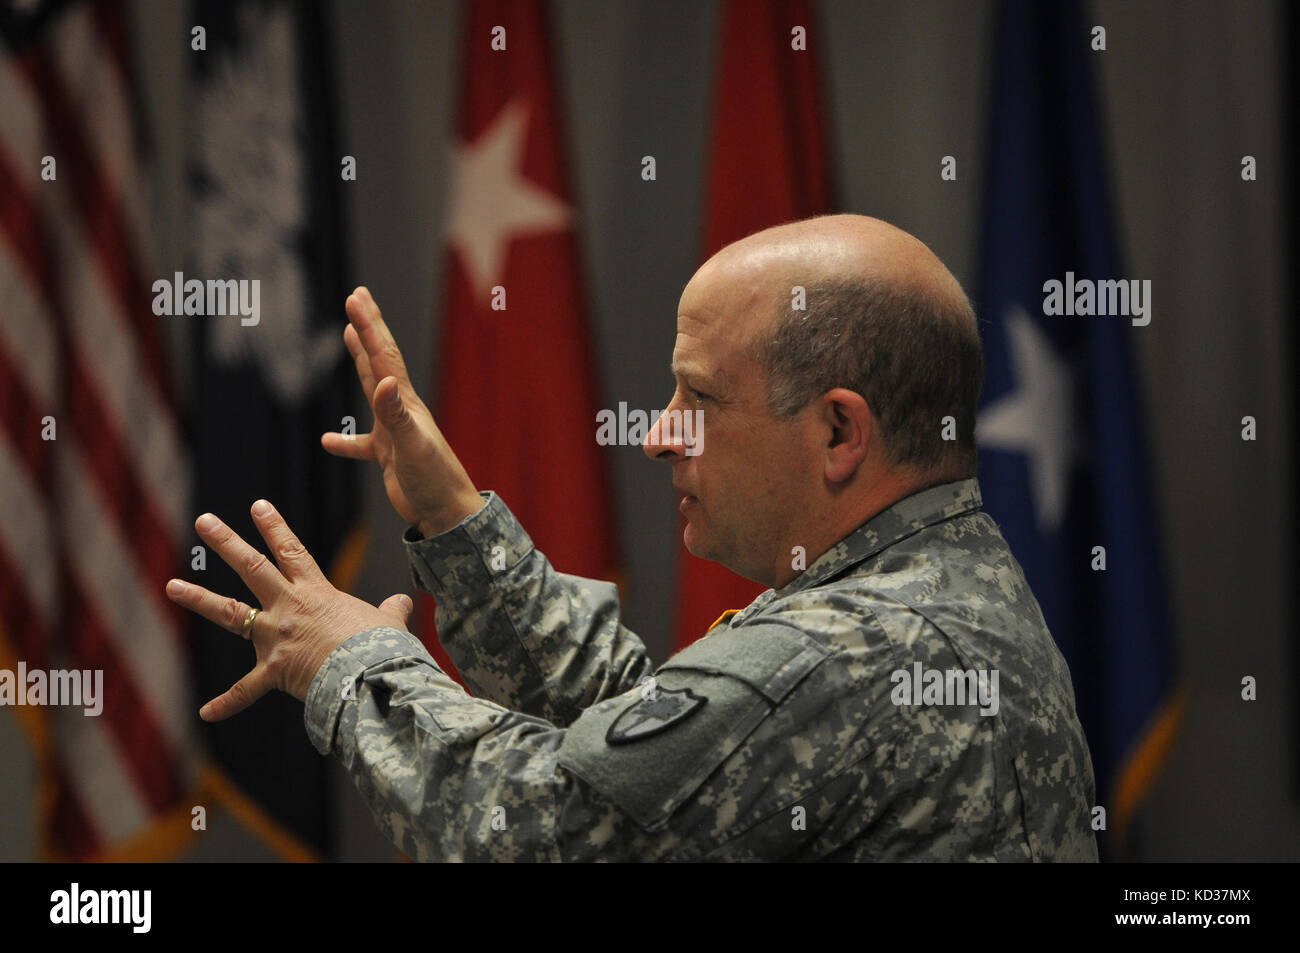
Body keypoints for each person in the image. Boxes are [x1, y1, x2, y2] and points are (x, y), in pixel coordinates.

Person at [166, 213, 1099, 861]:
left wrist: (351, 658)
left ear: (839, 432)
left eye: (699, 397)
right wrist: (457, 525)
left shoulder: (863, 647)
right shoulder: (926, 581)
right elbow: (650, 751)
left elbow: (539, 829)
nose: (658, 432)